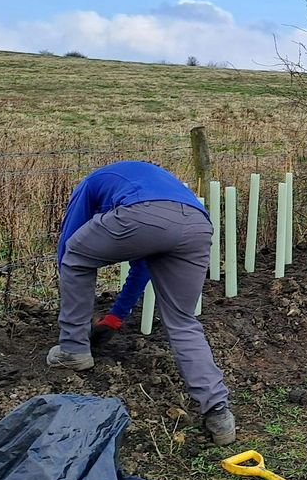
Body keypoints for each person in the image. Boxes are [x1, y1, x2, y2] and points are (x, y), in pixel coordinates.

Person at [48, 160, 236, 445]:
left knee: (75, 256)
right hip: (197, 225)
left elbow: (70, 243)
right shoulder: (144, 183)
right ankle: (219, 415)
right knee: (183, 321)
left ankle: (73, 350)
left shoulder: (89, 185)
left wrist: (71, 298)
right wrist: (115, 317)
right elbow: (142, 266)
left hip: (144, 215)